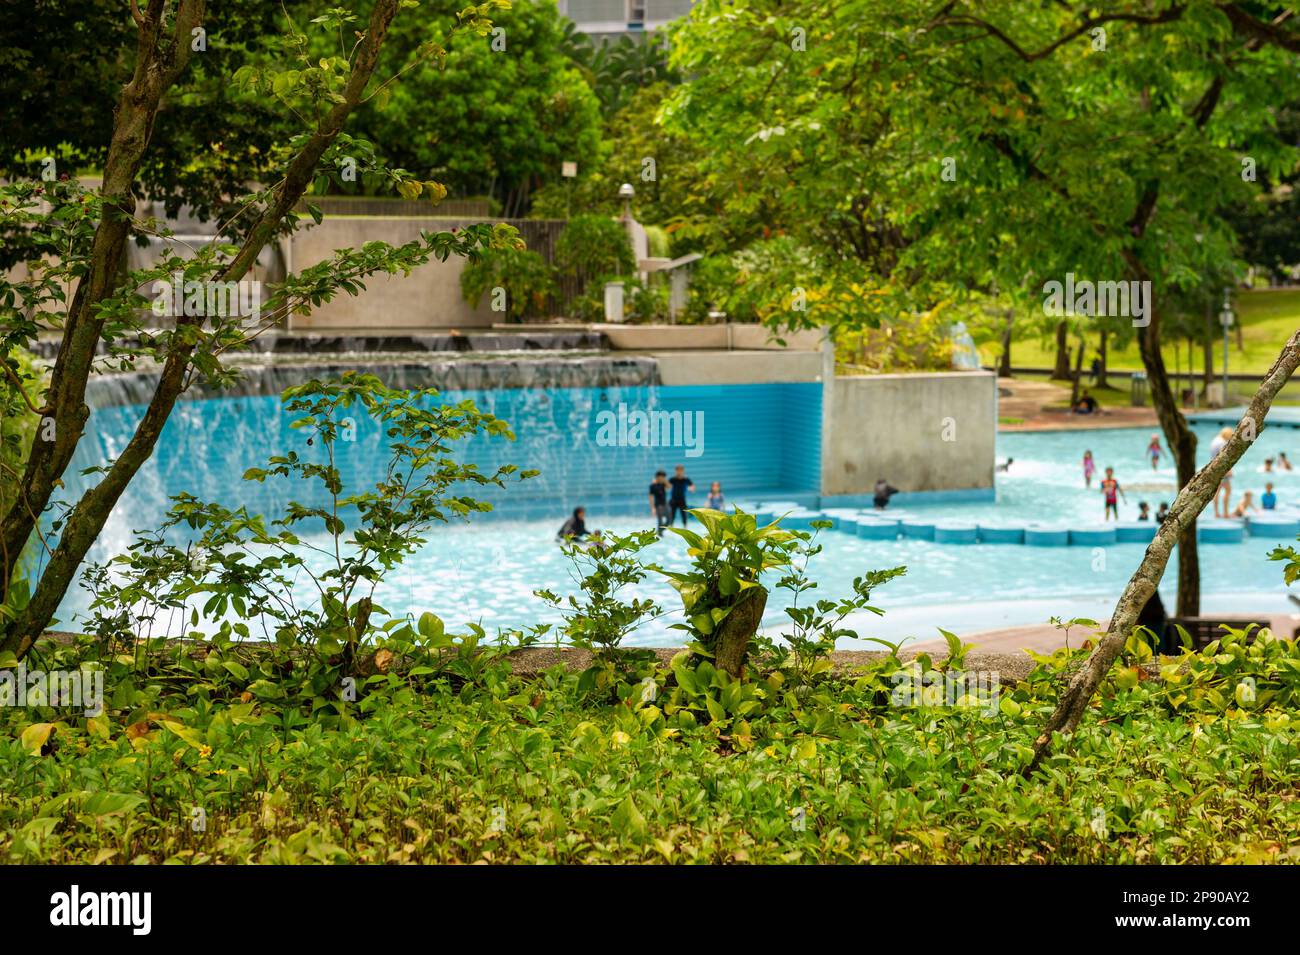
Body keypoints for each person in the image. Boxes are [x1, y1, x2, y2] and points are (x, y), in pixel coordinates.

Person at [1209, 427, 1233, 518]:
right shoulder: (1222, 442)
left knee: (1217, 492)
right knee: (1228, 491)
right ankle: (1226, 513)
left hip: (1214, 469)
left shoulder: (1215, 440)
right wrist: (1229, 470)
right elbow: (1223, 457)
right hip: (1222, 471)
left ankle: (1216, 513)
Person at [648, 471, 670, 536]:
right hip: (658, 505)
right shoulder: (652, 486)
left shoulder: (663, 484)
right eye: (661, 477)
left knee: (669, 520)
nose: (662, 479)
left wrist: (665, 481)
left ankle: (659, 531)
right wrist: (652, 508)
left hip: (665, 504)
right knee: (660, 521)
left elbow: (669, 487)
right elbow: (651, 497)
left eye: (663, 477)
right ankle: (660, 534)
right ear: (657, 477)